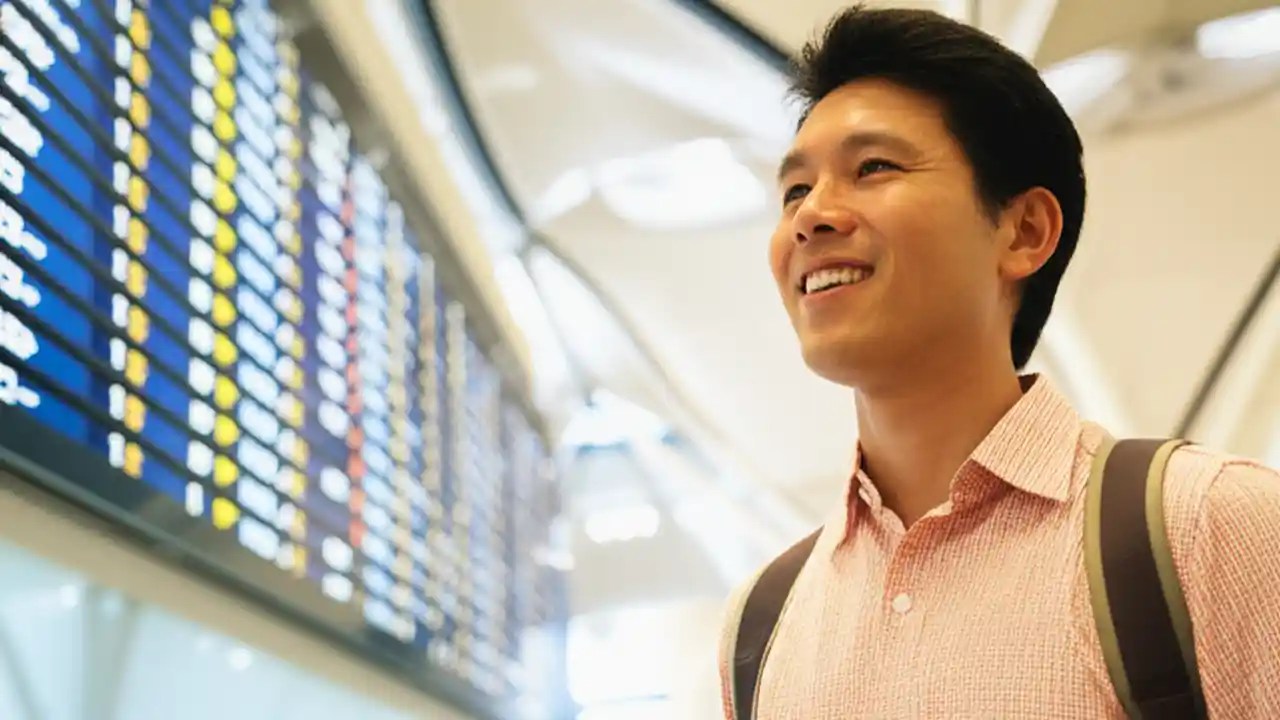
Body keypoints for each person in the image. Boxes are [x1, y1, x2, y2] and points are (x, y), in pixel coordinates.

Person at [716, 5, 1280, 719]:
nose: (811, 215)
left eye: (873, 167)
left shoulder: (1212, 529)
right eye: (796, 188)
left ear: (1025, 232)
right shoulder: (763, 626)